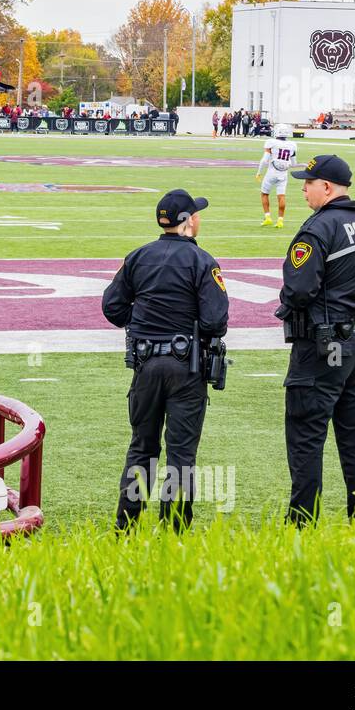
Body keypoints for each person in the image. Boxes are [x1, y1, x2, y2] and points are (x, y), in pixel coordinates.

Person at [276, 155, 355, 525]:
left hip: (324, 347)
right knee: (354, 437)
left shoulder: (318, 229)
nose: (302, 189)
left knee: (306, 437)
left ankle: (302, 523)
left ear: (326, 187)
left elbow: (298, 291)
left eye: (308, 183)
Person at [102, 189, 230, 533]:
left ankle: (125, 526)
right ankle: (174, 530)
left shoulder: (138, 256)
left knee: (141, 448)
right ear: (187, 221)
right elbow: (216, 321)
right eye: (197, 214)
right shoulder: (203, 262)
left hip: (145, 365)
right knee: (181, 454)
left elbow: (112, 308)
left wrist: (144, 321)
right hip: (186, 367)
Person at [256, 122, 298, 228]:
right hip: (283, 173)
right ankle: (280, 220)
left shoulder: (271, 142)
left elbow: (264, 161)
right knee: (281, 196)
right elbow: (294, 164)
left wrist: (259, 172)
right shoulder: (292, 145)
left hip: (271, 172)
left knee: (264, 194)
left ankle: (268, 217)